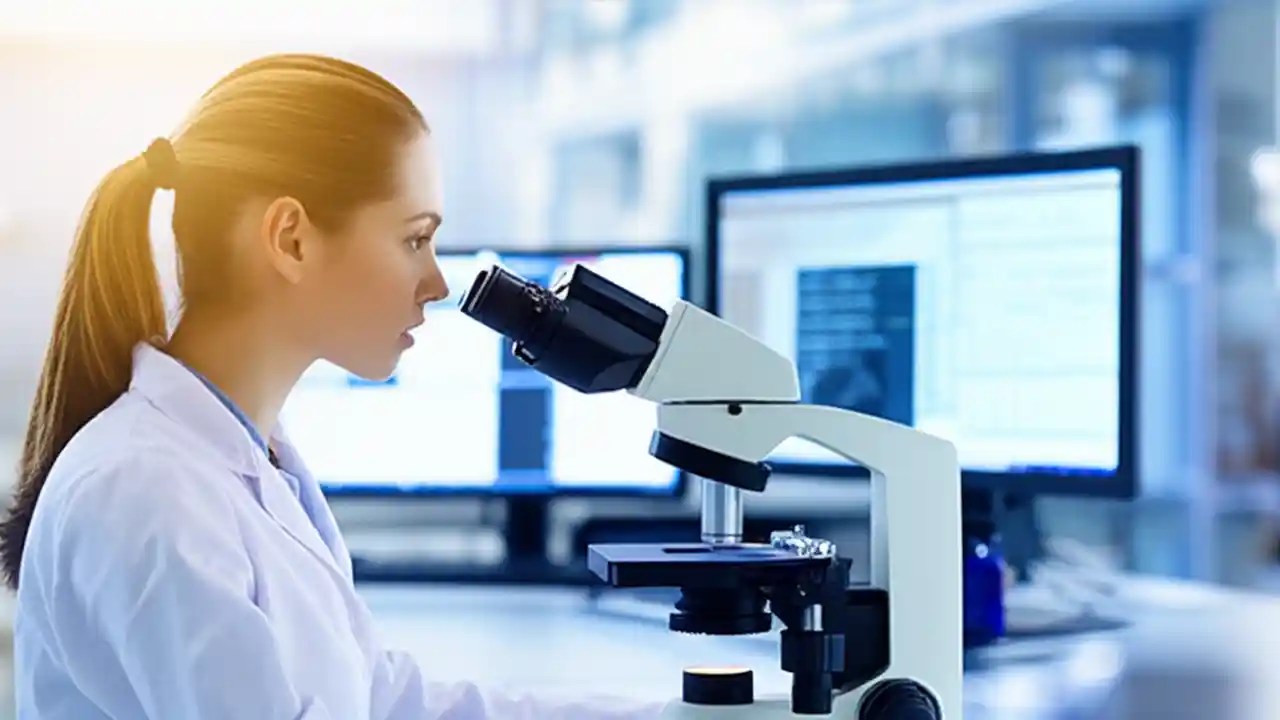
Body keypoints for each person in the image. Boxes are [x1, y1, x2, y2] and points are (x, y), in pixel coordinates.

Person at [0, 53, 667, 720]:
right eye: (415, 240)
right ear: (291, 240)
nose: (436, 284)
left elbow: (381, 701)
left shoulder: (248, 460)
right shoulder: (147, 491)